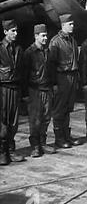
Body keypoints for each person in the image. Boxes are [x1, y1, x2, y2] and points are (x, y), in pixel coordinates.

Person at [49, 14, 82, 149]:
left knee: (68, 107)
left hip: (72, 76)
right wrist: (54, 83)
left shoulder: (72, 40)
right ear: (63, 26)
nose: (72, 26)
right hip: (61, 77)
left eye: (73, 24)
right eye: (70, 24)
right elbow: (51, 64)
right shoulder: (55, 42)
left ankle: (67, 135)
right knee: (59, 109)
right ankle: (59, 138)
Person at [23, 24, 56, 158]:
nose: (45, 38)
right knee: (35, 119)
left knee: (46, 117)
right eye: (43, 35)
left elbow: (51, 70)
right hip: (34, 90)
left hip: (46, 88)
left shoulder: (47, 51)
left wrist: (53, 84)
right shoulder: (29, 53)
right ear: (36, 36)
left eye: (46, 35)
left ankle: (43, 142)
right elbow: (24, 74)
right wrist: (25, 93)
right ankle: (35, 146)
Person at [0, 20, 25, 165]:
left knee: (14, 122)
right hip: (3, 88)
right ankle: (2, 151)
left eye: (16, 31)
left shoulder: (18, 49)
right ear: (5, 32)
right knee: (3, 120)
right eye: (12, 31)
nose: (15, 33)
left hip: (16, 87)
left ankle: (11, 149)